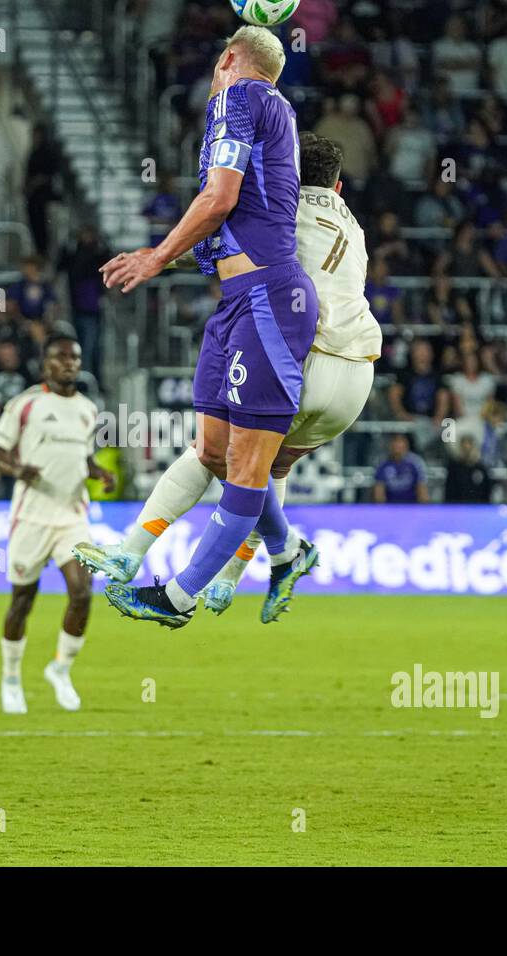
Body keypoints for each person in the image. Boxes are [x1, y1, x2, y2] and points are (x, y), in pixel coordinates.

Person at [74, 132, 380, 618]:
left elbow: (213, 241)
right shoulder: (353, 227)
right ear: (339, 187)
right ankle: (240, 572)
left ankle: (142, 561)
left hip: (301, 356)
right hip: (357, 374)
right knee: (267, 469)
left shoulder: (276, 209)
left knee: (216, 455)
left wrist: (154, 257)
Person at [78, 27, 320, 629]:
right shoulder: (278, 111)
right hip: (239, 301)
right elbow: (231, 214)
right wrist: (170, 254)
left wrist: (156, 257)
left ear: (228, 60)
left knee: (245, 464)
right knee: (212, 450)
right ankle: (287, 550)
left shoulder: (237, 99)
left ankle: (180, 596)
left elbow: (218, 196)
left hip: (268, 299)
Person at [0, 334, 114, 714]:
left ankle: (60, 668)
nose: (70, 364)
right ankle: (10, 677)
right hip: (30, 516)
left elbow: (82, 455)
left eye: (74, 357)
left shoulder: (89, 409)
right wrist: (15, 469)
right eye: (61, 358)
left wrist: (97, 473)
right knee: (22, 600)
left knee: (82, 591)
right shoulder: (26, 404)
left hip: (72, 516)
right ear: (46, 364)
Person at [373, 433, 428, 503]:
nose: (397, 446)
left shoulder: (416, 463)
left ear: (406, 445)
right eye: (395, 441)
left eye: (400, 442)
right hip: (389, 507)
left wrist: (422, 511)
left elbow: (422, 491)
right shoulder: (382, 464)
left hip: (411, 507)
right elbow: (379, 494)